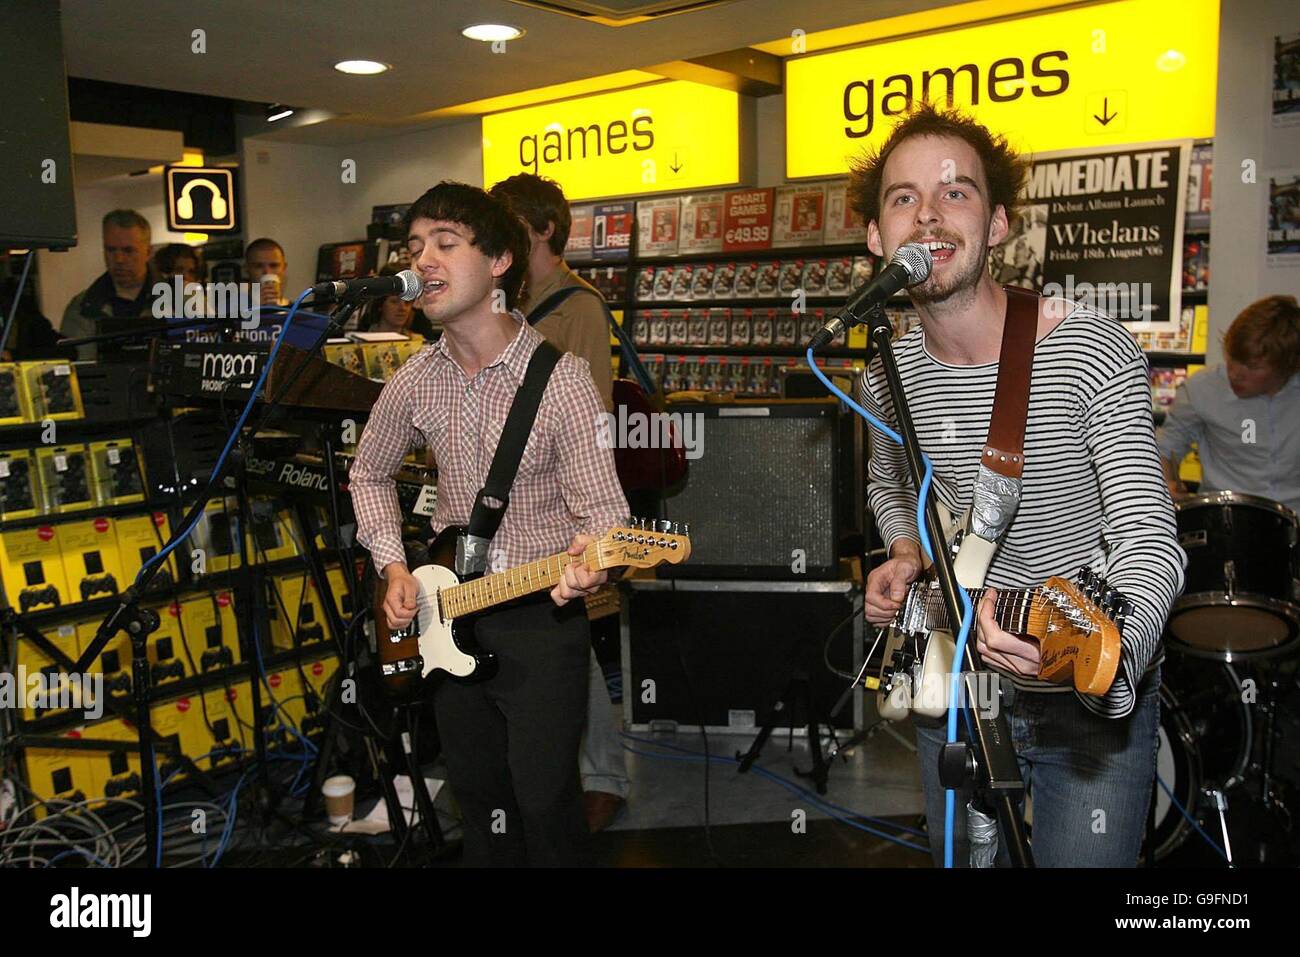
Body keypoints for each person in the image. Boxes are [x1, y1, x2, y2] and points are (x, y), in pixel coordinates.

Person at [852, 102, 1185, 867]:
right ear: (877, 237)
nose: (928, 214)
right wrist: (905, 550)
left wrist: (1107, 660)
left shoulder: (1088, 348)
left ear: (998, 224)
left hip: (1083, 700)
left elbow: (1147, 538)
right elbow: (889, 476)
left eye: (955, 192)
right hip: (957, 682)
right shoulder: (884, 370)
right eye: (904, 197)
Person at [349, 182, 628, 867]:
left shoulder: (560, 381)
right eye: (415, 247)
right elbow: (367, 473)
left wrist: (598, 558)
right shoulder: (415, 378)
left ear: (501, 259)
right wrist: (391, 564)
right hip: (447, 618)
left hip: (542, 619)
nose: (424, 260)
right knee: (481, 804)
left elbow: (608, 516)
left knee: (545, 803)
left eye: (446, 242)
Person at [490, 172, 630, 832]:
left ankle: (603, 775)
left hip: (560, 505)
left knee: (569, 635)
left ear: (542, 229)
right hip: (511, 505)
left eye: (508, 220)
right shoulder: (504, 301)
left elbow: (594, 415)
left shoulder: (579, 306)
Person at [1158, 295, 1300, 513]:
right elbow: (1166, 445)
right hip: (1226, 520)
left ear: (1287, 367)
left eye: (1252, 367)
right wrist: (1165, 483)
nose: (1235, 374)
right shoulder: (1202, 388)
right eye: (1232, 358)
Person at [60, 209, 159, 360]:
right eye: (111, 250)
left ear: (148, 252)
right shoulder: (83, 308)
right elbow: (78, 369)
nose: (119, 259)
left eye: (128, 250)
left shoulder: (179, 301)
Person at [356, 264, 436, 338]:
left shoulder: (420, 341)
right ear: (380, 304)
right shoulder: (361, 338)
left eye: (407, 302)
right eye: (394, 301)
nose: (402, 308)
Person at [245, 237, 288, 306]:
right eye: (258, 266)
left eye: (274, 266)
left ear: (284, 268)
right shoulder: (229, 312)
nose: (267, 272)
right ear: (247, 269)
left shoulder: (299, 313)